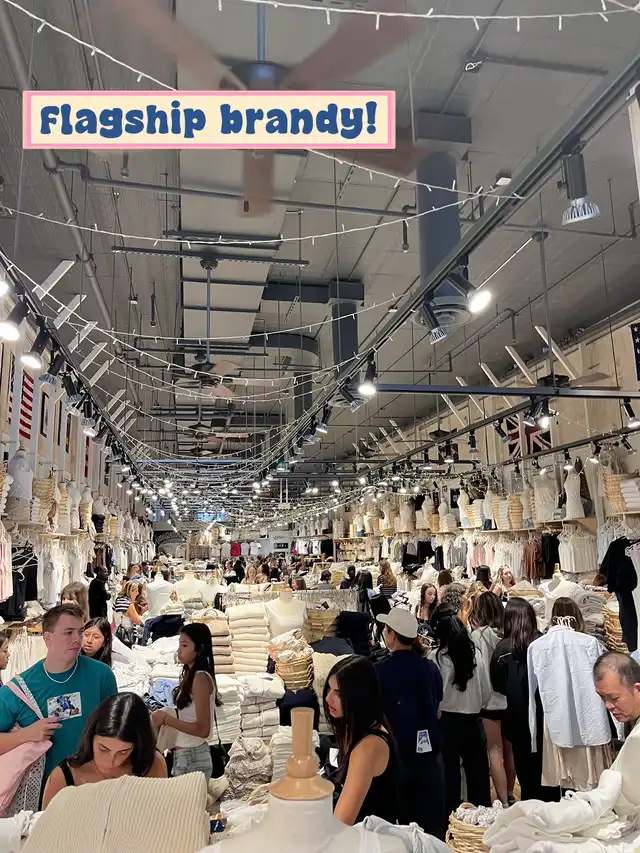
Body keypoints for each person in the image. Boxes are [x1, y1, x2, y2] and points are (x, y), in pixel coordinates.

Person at [0, 603, 117, 781]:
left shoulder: (102, 675)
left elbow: (115, 731)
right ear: (48, 639)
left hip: (94, 784)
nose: (77, 639)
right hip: (43, 789)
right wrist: (26, 734)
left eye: (80, 631)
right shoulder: (20, 689)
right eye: (68, 632)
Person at [376, 609, 446, 838]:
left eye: (386, 630)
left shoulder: (380, 671)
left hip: (398, 756)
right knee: (431, 824)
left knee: (403, 828)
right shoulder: (430, 668)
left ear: (393, 635)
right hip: (430, 756)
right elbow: (437, 711)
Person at [42, 692, 167, 807]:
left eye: (123, 752)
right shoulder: (62, 778)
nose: (111, 762)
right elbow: (45, 824)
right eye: (103, 749)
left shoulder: (153, 765)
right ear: (91, 737)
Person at [490, 598, 557, 802]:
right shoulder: (544, 643)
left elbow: (497, 684)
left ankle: (531, 812)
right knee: (549, 774)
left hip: (517, 719)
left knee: (526, 776)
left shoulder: (502, 650)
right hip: (546, 719)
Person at [428, 608, 491, 815]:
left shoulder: (436, 658)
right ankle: (481, 818)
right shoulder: (476, 656)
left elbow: (433, 695)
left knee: (449, 775)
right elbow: (486, 693)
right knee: (478, 775)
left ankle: (450, 818)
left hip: (446, 722)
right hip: (473, 721)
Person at [323, 655, 398, 826]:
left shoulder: (369, 746)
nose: (328, 698)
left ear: (358, 697)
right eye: (328, 689)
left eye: (338, 693)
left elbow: (341, 822)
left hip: (369, 837)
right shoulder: (354, 727)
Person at [151, 623, 219, 779]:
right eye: (179, 645)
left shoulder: (200, 678)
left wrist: (166, 719)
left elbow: (203, 729)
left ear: (199, 648)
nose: (179, 650)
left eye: (184, 645)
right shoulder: (192, 675)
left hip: (193, 757)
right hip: (186, 754)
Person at [469, 592, 515, 807]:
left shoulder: (477, 636)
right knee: (510, 751)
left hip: (488, 701)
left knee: (494, 752)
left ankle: (503, 802)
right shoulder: (509, 634)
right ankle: (511, 794)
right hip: (510, 699)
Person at [593, 652, 640, 817]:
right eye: (602, 697)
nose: (608, 705)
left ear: (637, 689)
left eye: (614, 697)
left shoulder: (637, 739)